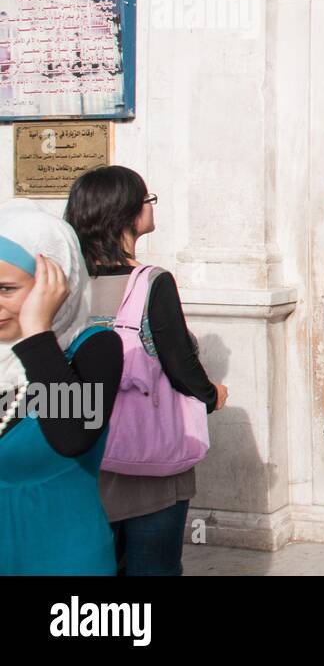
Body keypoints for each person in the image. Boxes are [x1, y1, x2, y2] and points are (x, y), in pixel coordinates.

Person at [65, 166, 227, 576]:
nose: (150, 206)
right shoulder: (153, 282)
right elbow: (180, 365)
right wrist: (213, 395)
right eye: (146, 199)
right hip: (149, 467)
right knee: (153, 566)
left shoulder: (67, 283)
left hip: (84, 458)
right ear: (126, 214)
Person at [0, 199, 124, 575]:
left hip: (63, 562)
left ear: (57, 284)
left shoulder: (93, 348)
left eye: (7, 289)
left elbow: (71, 437)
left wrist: (38, 332)